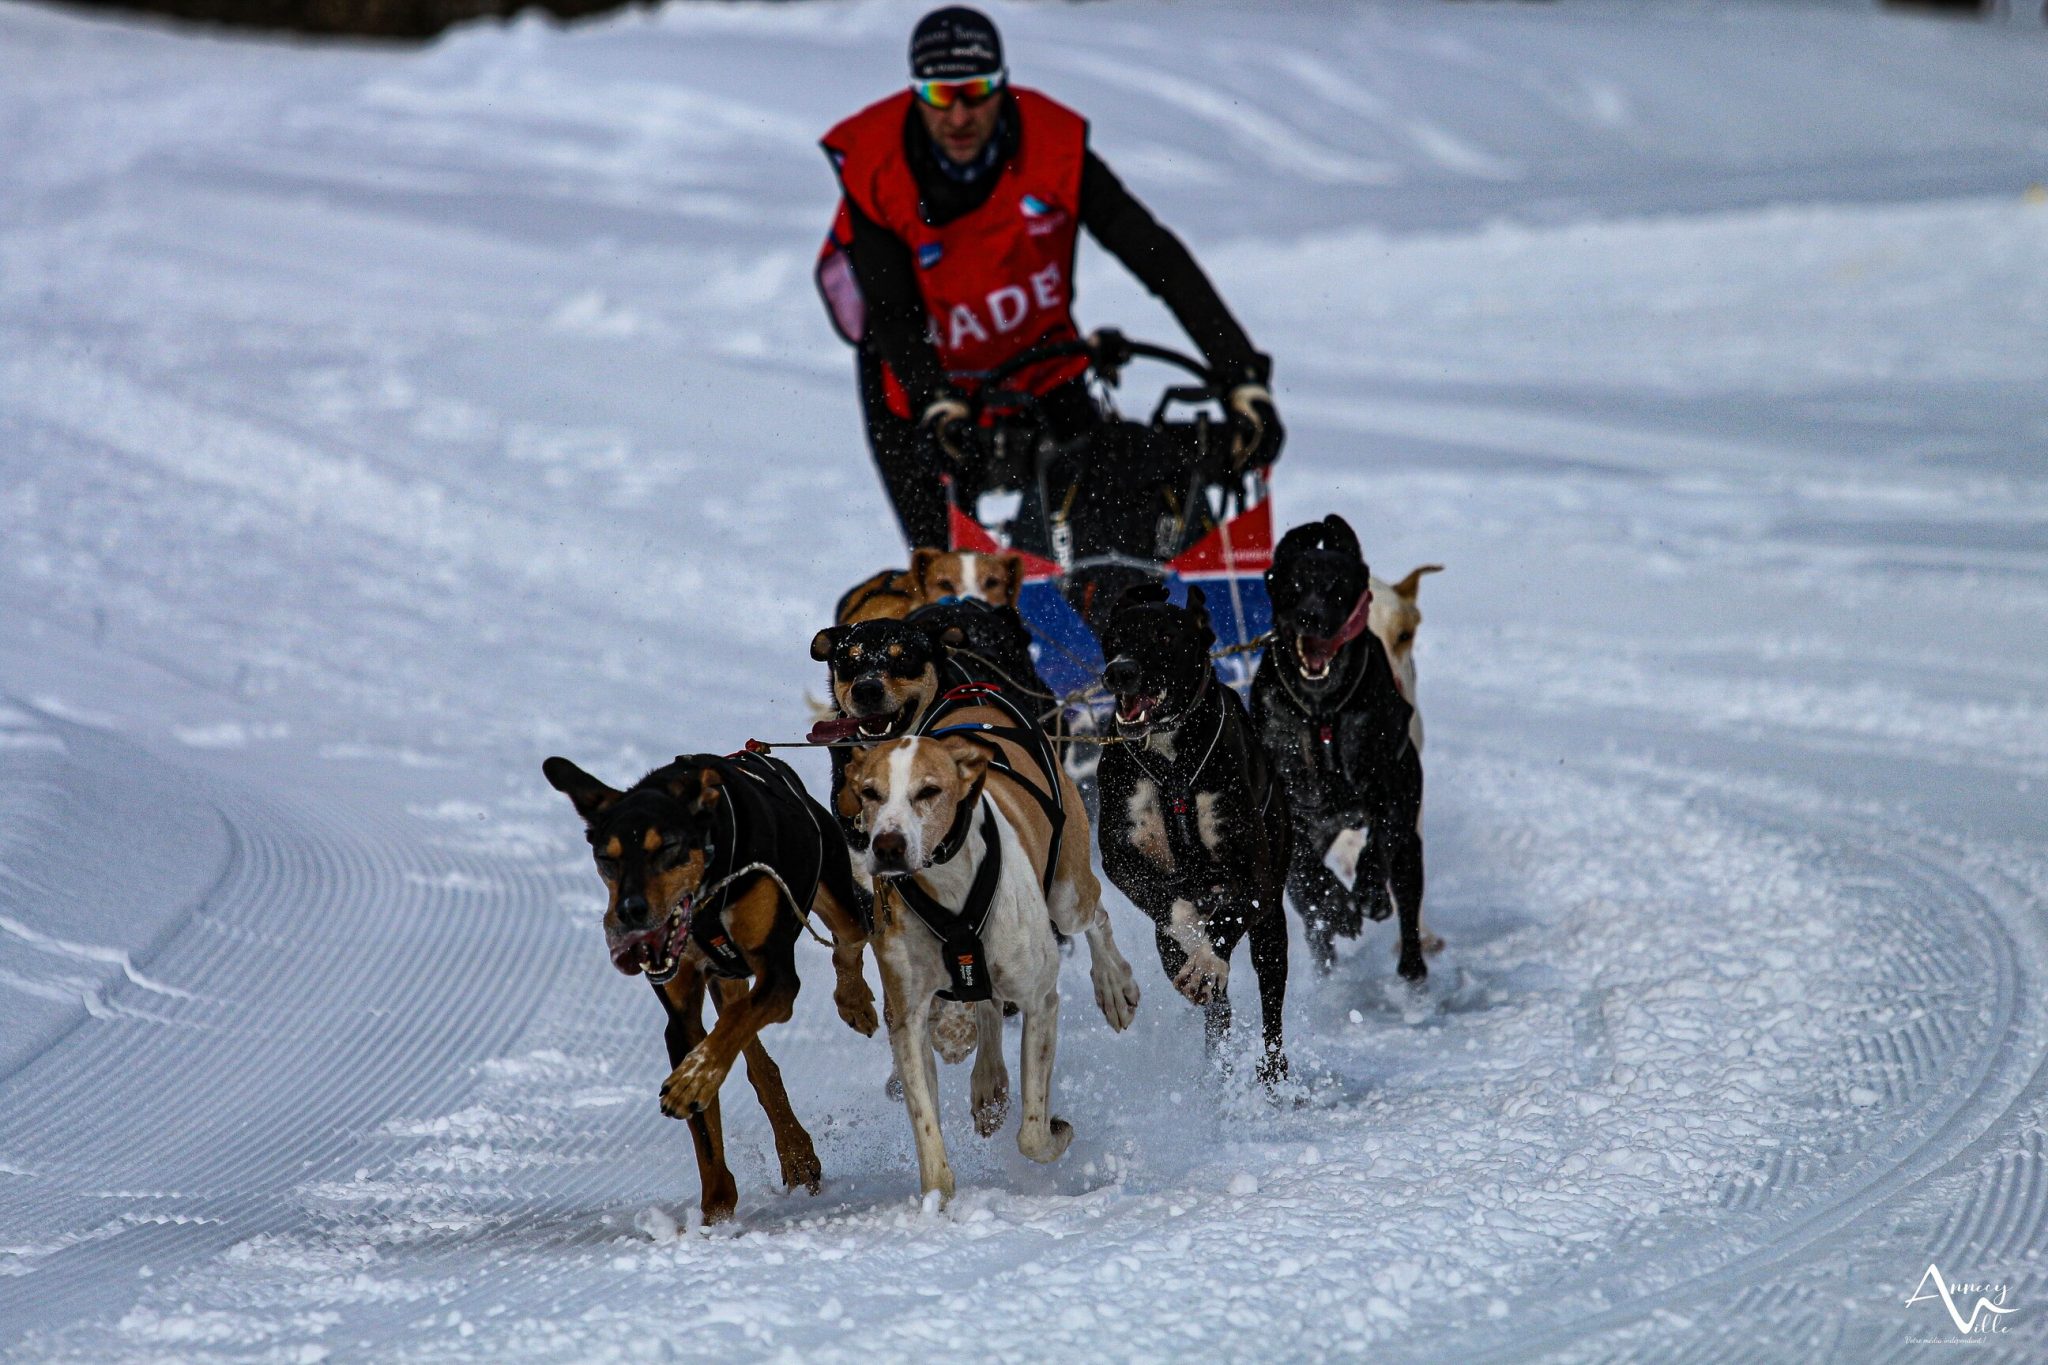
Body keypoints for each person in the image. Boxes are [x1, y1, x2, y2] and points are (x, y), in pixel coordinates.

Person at [816, 5, 1283, 550]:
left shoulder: (1053, 147)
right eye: (941, 96)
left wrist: (1240, 372)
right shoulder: (877, 169)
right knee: (942, 568)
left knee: (1109, 522)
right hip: (918, 376)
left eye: (976, 91)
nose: (960, 116)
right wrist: (935, 401)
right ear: (917, 93)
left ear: (1002, 84)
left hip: (1037, 361)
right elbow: (892, 315)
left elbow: (1159, 259)